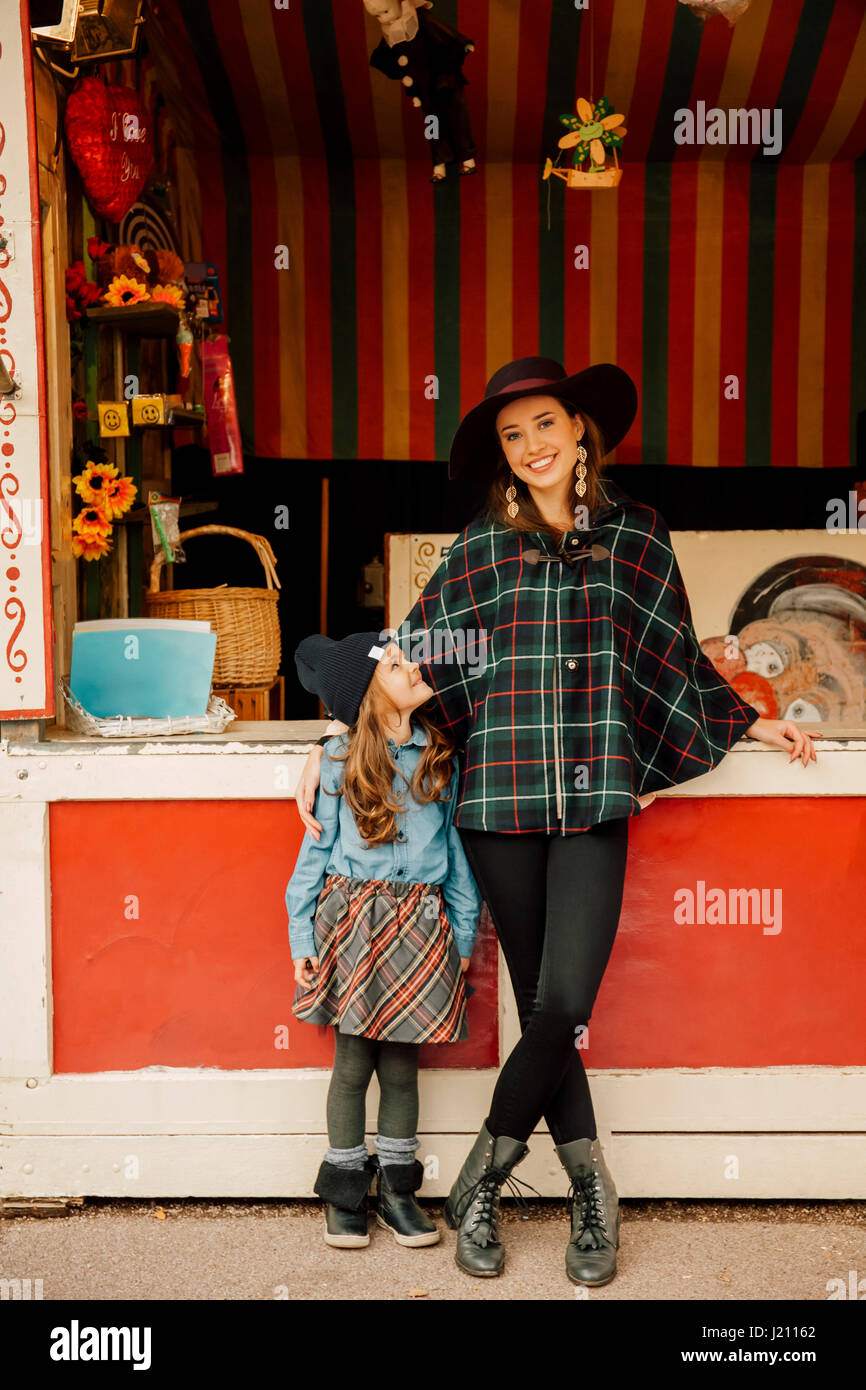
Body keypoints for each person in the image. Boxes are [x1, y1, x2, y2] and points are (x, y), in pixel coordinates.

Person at [295, 356, 821, 1286]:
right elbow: (400, 658)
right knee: (546, 1006)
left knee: (564, 1003)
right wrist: (335, 734)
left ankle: (481, 1177)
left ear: (580, 431)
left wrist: (753, 711)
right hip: (498, 807)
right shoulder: (481, 555)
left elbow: (672, 665)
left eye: (546, 425)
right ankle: (590, 1196)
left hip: (592, 803)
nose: (532, 447)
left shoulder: (638, 539)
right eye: (512, 435)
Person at [286, 630, 481, 1251]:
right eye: (396, 664)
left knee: (401, 1066)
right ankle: (345, 1194)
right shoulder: (340, 761)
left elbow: (455, 855)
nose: (413, 665)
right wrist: (300, 937)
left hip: (421, 928)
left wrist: (464, 929)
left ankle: (398, 1191)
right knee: (351, 1067)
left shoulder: (439, 756)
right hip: (351, 925)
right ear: (371, 695)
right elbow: (313, 855)